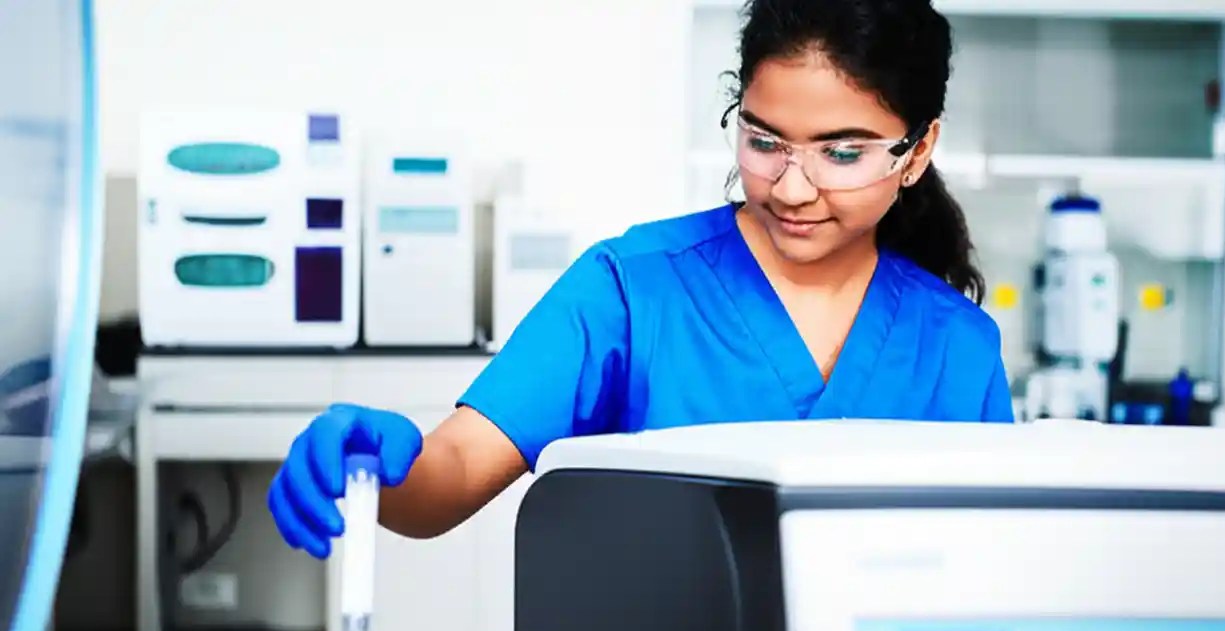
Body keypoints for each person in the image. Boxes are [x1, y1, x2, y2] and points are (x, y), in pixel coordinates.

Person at [268, 0, 1014, 559]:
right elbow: (455, 470)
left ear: (917, 153)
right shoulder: (632, 291)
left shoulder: (959, 348)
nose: (791, 188)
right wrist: (381, 467)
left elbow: (995, 576)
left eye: (840, 153)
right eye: (764, 141)